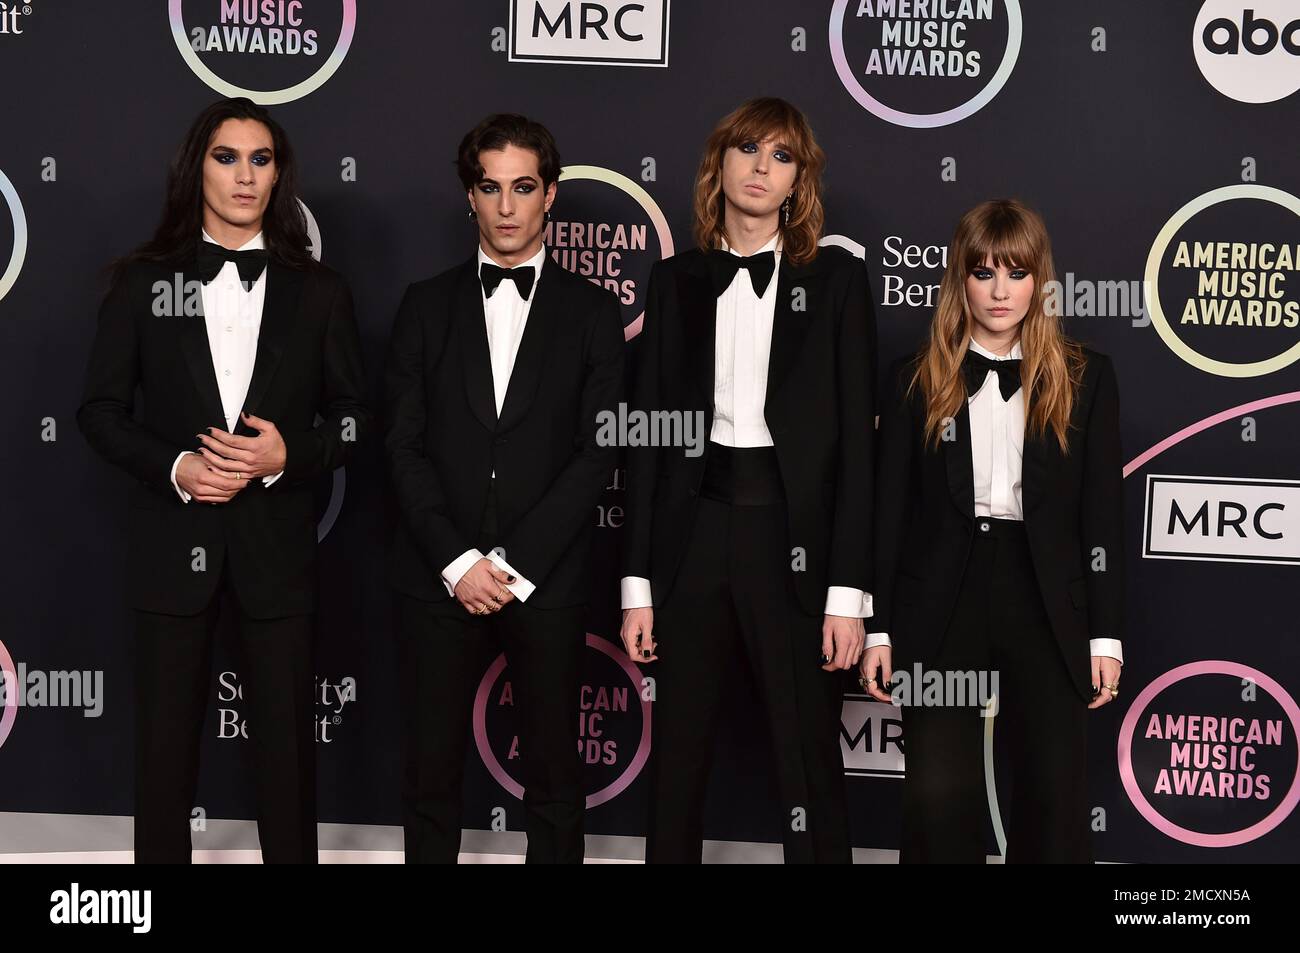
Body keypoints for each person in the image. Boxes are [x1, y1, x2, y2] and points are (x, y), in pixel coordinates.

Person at [78, 97, 369, 863]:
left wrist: (288, 456)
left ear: (280, 176)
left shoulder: (321, 291)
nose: (245, 176)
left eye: (261, 159)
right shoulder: (143, 282)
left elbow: (355, 418)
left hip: (277, 554)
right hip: (173, 551)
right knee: (164, 760)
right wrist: (176, 467)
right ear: (195, 167)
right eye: (227, 156)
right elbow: (100, 412)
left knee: (287, 760)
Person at [619, 97, 876, 863]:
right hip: (692, 536)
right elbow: (646, 442)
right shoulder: (674, 282)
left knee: (810, 767)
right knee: (677, 764)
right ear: (719, 164)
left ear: (799, 179)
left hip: (793, 542)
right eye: (748, 149)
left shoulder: (836, 281)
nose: (762, 167)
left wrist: (847, 595)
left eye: (782, 155)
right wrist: (638, 586)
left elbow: (860, 452)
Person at [385, 113, 625, 863]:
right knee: (429, 775)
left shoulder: (592, 314)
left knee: (555, 778)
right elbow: (400, 444)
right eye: (491, 188)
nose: (508, 207)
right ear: (470, 195)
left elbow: (598, 451)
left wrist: (514, 565)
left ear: (550, 194)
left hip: (545, 580)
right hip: (439, 577)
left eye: (524, 188)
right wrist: (458, 561)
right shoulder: (424, 306)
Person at [862, 198, 1124, 863]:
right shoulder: (911, 379)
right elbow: (888, 511)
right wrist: (880, 627)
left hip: (1044, 597)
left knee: (1055, 791)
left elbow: (1102, 517)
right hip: (940, 597)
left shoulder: (1087, 379)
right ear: (961, 280)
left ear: (1039, 279)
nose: (1001, 290)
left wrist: (1106, 633)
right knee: (935, 794)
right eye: (984, 272)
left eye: (1016, 271)